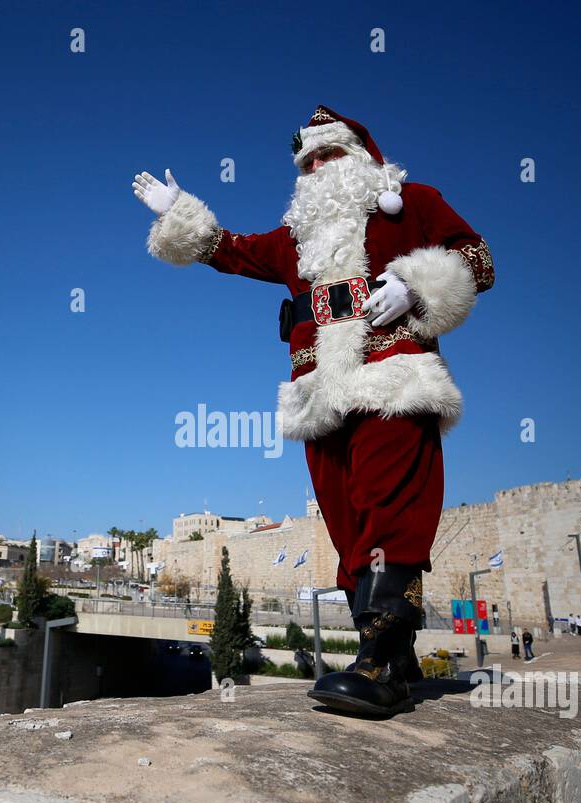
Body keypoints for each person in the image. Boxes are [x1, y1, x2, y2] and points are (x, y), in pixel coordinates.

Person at [136, 105, 493, 717]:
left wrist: (415, 283)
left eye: (329, 154)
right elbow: (233, 250)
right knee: (345, 518)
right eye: (308, 160)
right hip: (317, 392)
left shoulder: (413, 203)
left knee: (391, 507)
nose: (318, 166)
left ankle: (380, 659)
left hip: (392, 379)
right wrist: (181, 214)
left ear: (359, 156)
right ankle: (392, 653)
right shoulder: (296, 239)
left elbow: (478, 259)